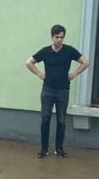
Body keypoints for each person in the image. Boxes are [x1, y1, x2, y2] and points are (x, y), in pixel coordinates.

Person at [25, 24, 88, 158]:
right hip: (48, 89)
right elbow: (29, 63)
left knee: (61, 120)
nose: (59, 40)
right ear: (52, 37)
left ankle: (59, 149)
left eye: (61, 37)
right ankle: (44, 149)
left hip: (63, 90)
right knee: (45, 118)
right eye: (57, 37)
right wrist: (39, 74)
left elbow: (85, 62)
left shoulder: (69, 51)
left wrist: (74, 74)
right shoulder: (45, 51)